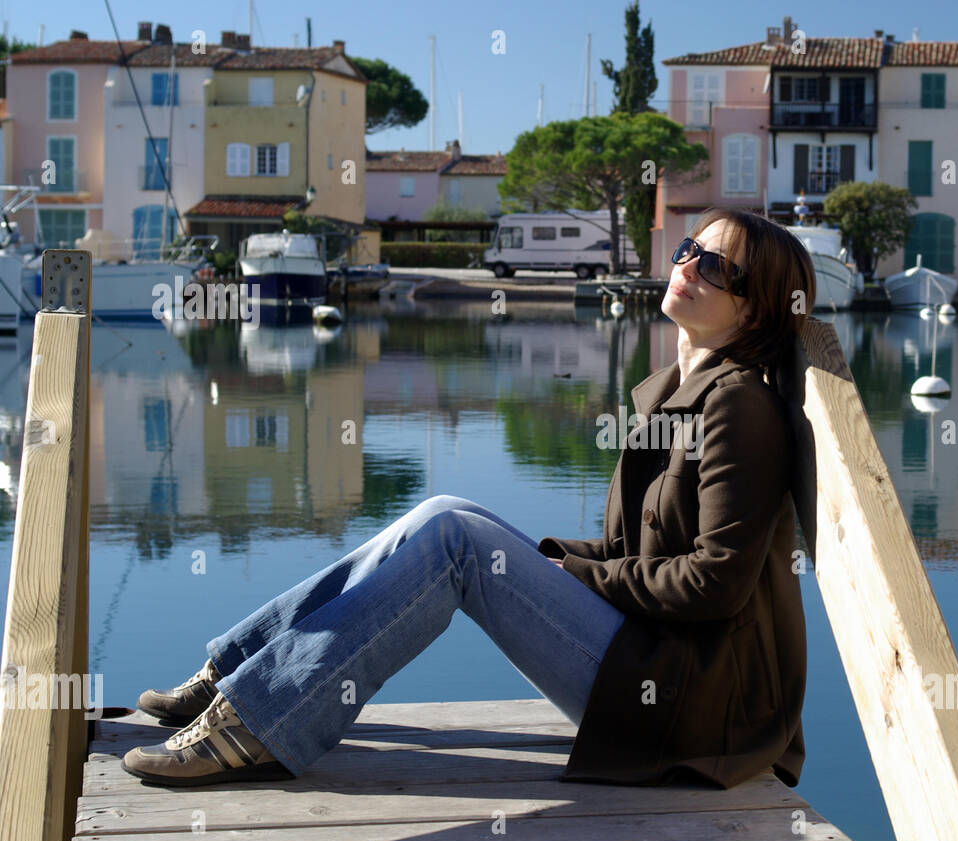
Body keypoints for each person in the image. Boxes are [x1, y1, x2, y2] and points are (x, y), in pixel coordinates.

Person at [123, 207, 816, 790]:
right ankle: (237, 672)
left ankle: (260, 724)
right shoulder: (676, 392)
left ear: (753, 307)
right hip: (649, 659)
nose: (687, 266)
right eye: (688, 250)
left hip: (688, 704)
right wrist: (553, 560)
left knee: (457, 543)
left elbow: (715, 583)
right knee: (446, 512)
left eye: (715, 267)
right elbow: (635, 551)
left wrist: (570, 576)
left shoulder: (738, 409)